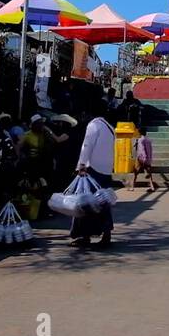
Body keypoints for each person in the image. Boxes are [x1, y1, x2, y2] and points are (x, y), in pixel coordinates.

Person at [71, 100, 116, 248]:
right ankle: (106, 234)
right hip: (106, 170)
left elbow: (87, 146)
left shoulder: (93, 125)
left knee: (85, 202)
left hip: (93, 170)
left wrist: (81, 165)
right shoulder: (110, 128)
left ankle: (85, 236)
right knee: (103, 203)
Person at [130, 127, 157, 191]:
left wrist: (141, 158)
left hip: (141, 158)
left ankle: (132, 187)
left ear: (139, 133)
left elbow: (141, 150)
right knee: (149, 173)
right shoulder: (148, 140)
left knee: (135, 173)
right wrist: (149, 159)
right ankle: (152, 186)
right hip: (148, 159)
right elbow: (150, 150)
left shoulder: (140, 140)